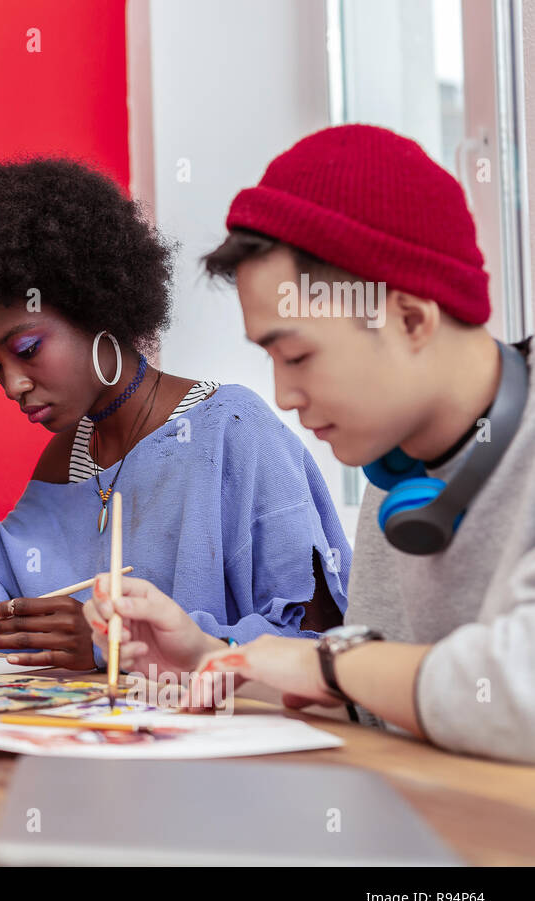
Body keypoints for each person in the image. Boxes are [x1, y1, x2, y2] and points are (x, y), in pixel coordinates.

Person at [86, 124, 535, 763]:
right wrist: (214, 659)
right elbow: (383, 702)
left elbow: (519, 691)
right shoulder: (401, 476)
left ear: (410, 318)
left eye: (296, 354)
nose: (284, 393)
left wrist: (329, 663)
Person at [0, 157, 349, 670]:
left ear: (96, 310)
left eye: (25, 349)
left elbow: (316, 643)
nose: (13, 386)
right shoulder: (69, 460)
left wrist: (113, 645)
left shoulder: (233, 430)